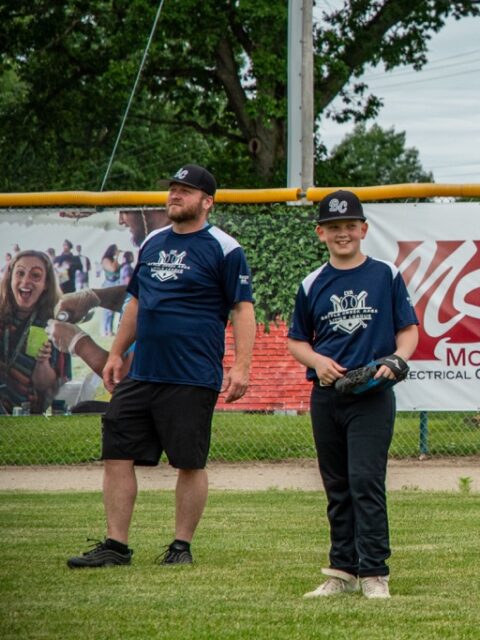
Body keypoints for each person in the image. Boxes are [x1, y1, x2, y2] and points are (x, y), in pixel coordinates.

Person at [67, 164, 255, 569]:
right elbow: (136, 302)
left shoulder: (224, 248)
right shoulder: (153, 241)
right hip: (143, 371)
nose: (174, 195)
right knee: (117, 452)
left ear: (207, 202)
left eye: (185, 191)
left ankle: (180, 547)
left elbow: (242, 309)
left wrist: (241, 366)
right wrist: (116, 353)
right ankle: (116, 546)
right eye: (172, 189)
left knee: (188, 461)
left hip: (191, 374)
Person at [286, 190, 419, 600]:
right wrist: (318, 361)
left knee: (365, 480)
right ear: (320, 233)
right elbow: (296, 341)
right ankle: (342, 571)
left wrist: (396, 359)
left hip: (372, 393)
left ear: (363, 229)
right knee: (337, 484)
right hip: (327, 394)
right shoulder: (313, 282)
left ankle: (374, 571)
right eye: (333, 227)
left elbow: (409, 330)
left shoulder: (385, 275)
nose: (342, 233)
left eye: (350, 226)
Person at [0, 250, 70, 414]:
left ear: (46, 284)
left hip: (28, 415)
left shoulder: (54, 325)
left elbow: (46, 386)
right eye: (20, 273)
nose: (26, 281)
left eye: (35, 275)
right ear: (10, 279)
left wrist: (42, 362)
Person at [98, 245, 121, 336]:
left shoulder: (113, 260)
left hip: (115, 284)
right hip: (109, 285)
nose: (116, 252)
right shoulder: (106, 260)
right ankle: (104, 330)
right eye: (115, 251)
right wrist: (117, 257)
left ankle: (110, 330)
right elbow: (113, 269)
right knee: (107, 309)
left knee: (113, 309)